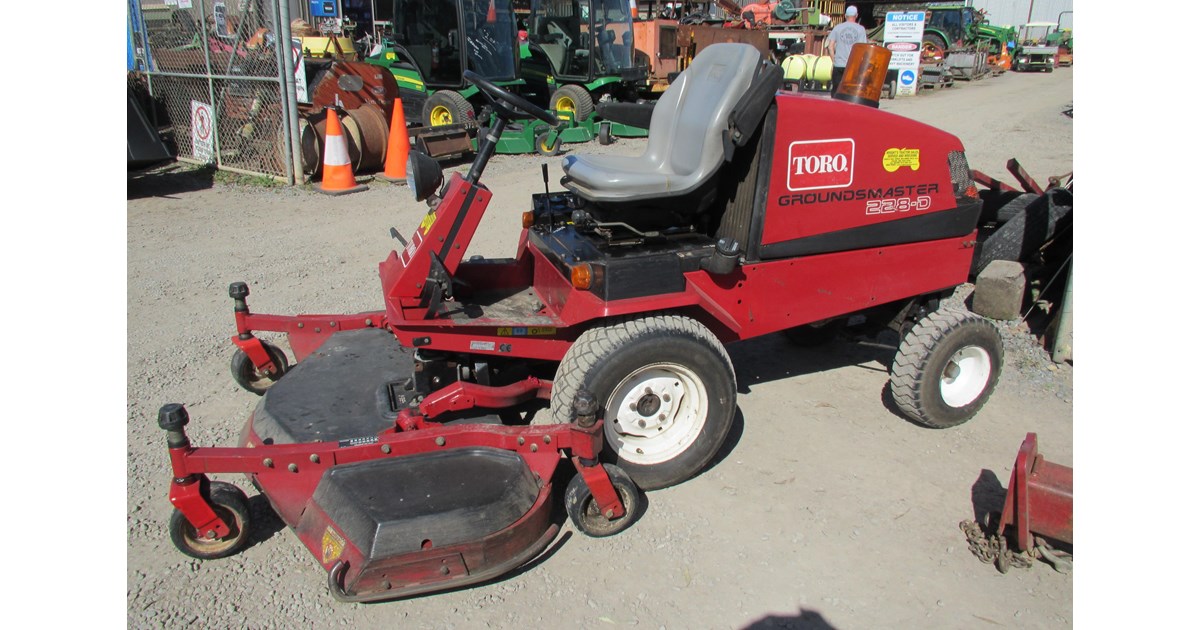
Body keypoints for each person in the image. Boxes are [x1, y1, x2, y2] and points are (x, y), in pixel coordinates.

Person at [825, 5, 868, 95]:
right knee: (850, 93)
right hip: (853, 66)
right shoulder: (861, 29)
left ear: (845, 16)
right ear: (856, 16)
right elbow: (863, 48)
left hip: (838, 65)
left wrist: (834, 60)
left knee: (836, 91)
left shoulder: (837, 28)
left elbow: (830, 46)